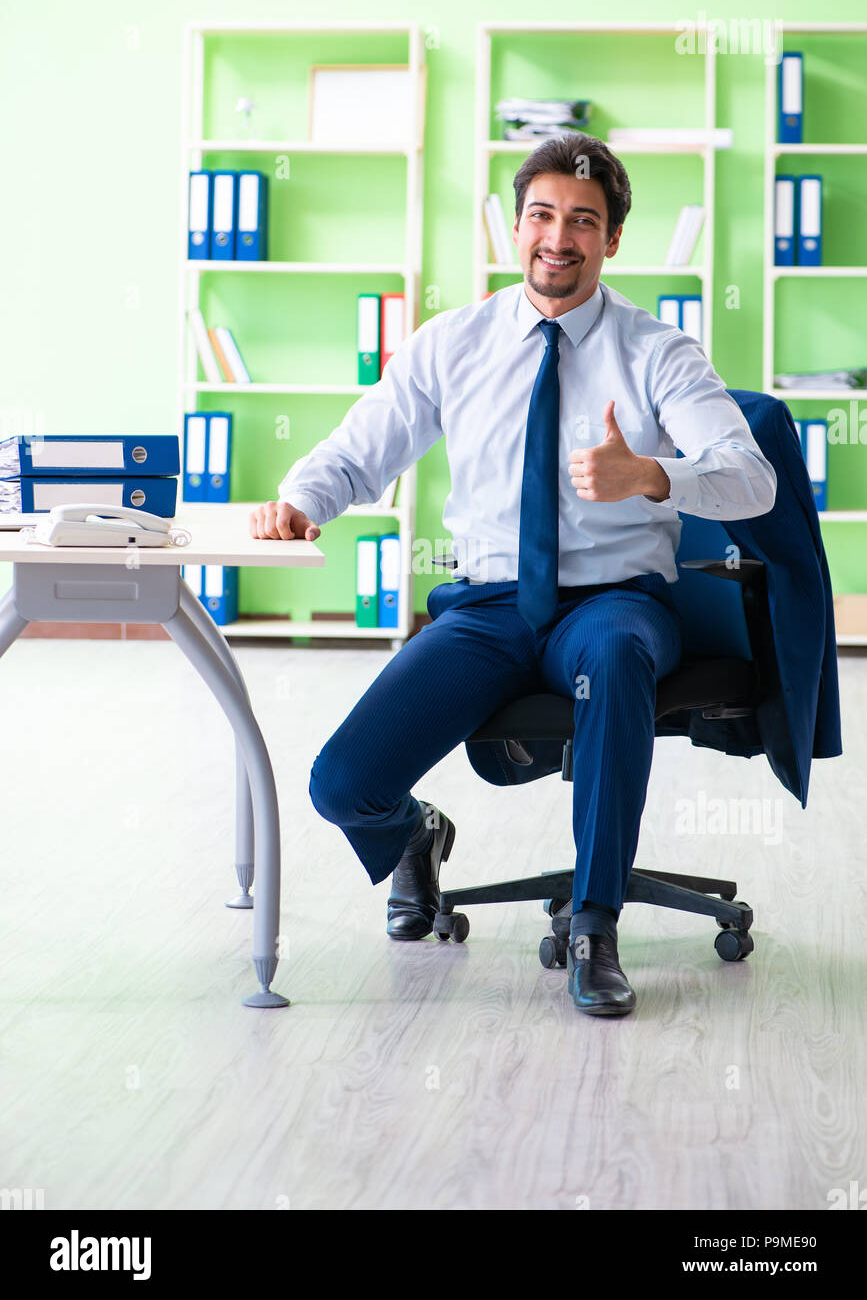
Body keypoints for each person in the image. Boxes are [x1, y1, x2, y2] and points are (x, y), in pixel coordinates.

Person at [249, 133, 777, 1017]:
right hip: (490, 607)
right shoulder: (451, 342)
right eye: (541, 215)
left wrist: (650, 474)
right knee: (342, 784)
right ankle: (414, 835)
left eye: (583, 221)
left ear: (611, 240)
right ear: (514, 225)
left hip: (612, 604)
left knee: (612, 657)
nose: (557, 238)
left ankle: (594, 927)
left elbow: (749, 478)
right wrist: (300, 498)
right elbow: (360, 447)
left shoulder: (658, 353)